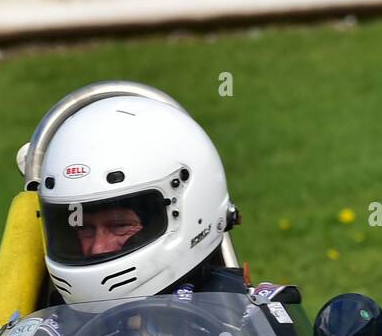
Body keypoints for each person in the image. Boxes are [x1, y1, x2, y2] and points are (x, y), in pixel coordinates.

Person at [36, 93, 255, 303]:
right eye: (83, 228)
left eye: (120, 225)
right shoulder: (47, 328)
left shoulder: (243, 321)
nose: (98, 248)